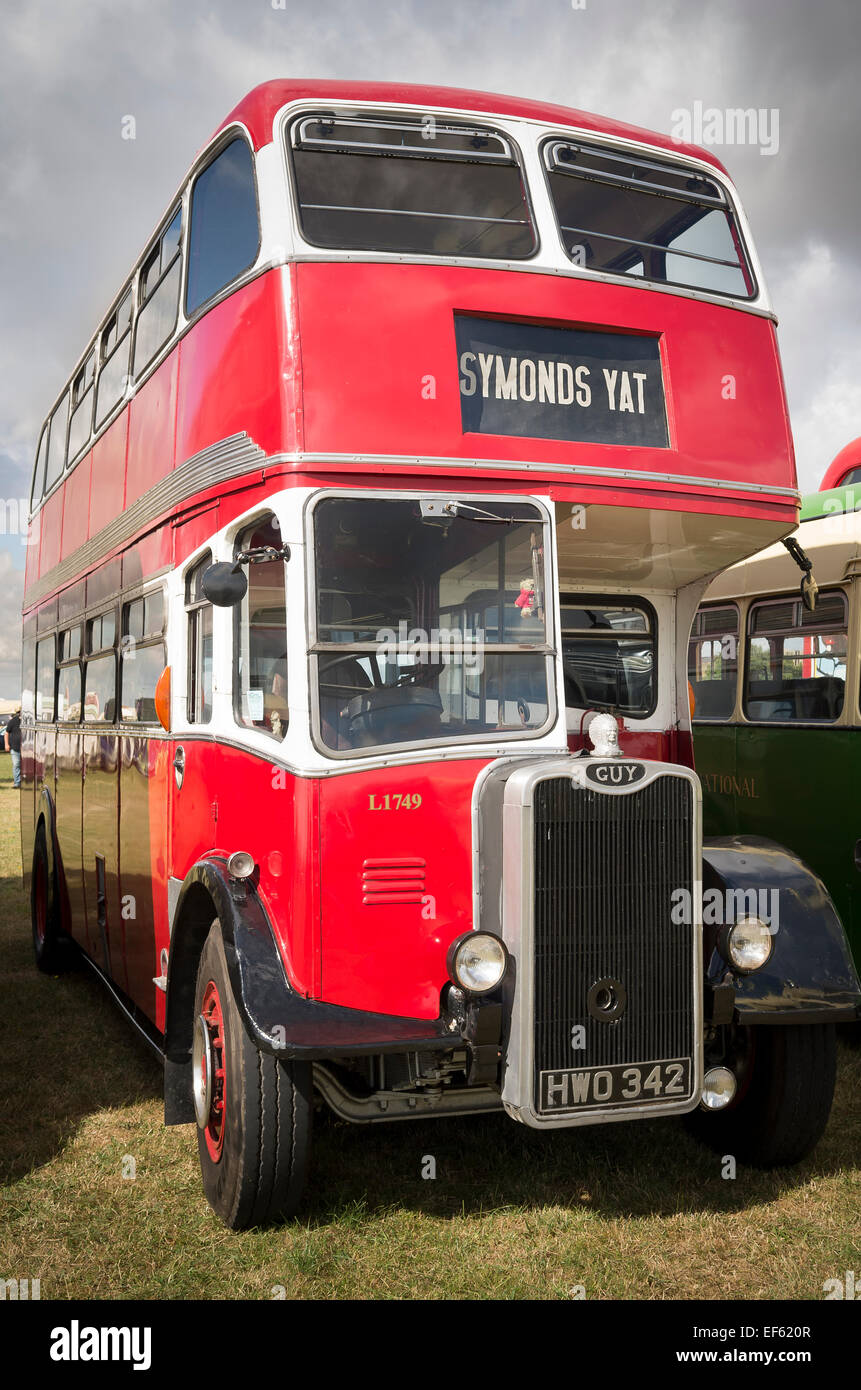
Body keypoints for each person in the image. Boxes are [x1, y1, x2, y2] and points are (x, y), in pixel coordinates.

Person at [4, 707, 21, 788]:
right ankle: (17, 783)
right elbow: (6, 733)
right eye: (19, 712)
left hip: (28, 749)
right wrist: (6, 744)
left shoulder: (29, 721)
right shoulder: (13, 721)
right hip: (15, 748)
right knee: (16, 764)